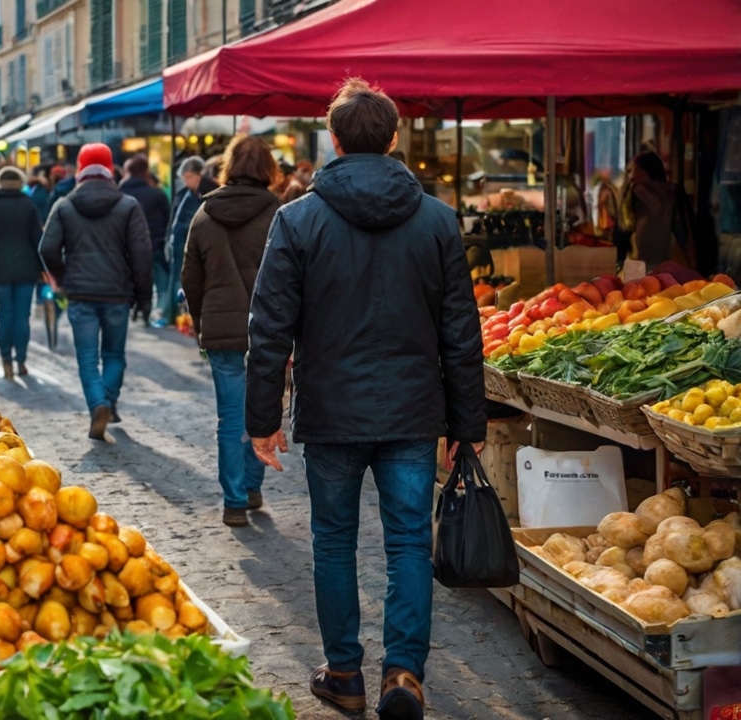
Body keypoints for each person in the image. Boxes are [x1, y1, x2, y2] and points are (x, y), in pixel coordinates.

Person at [245, 78, 485, 720]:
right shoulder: (437, 220)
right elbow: (461, 330)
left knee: (333, 541)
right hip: (412, 410)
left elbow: (269, 328)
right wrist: (468, 418)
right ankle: (403, 676)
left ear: (334, 140)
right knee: (408, 542)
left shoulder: (296, 220)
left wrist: (261, 420)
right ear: (395, 139)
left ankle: (344, 672)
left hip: (331, 410)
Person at [180, 137, 280, 527]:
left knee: (230, 418)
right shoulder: (280, 214)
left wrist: (202, 324)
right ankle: (253, 487)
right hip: (270, 331)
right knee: (266, 410)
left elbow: (191, 278)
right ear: (268, 169)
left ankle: (234, 500)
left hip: (222, 330)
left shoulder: (204, 215)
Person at [40, 143, 152, 440]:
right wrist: (144, 295)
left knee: (88, 359)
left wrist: (63, 276)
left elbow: (47, 248)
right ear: (109, 169)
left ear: (79, 170)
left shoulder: (64, 205)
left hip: (80, 293)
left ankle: (98, 405)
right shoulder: (128, 205)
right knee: (114, 353)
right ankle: (109, 401)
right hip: (117, 292)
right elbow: (142, 254)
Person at [0, 166, 43, 379]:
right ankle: (21, 360)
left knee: (5, 314)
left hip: (0, 271)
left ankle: (6, 359)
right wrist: (43, 268)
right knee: (22, 316)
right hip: (26, 270)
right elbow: (38, 241)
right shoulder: (29, 206)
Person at [162, 157, 218, 326]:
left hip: (194, 248)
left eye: (187, 177)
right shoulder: (187, 194)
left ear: (196, 175)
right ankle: (179, 316)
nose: (185, 182)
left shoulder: (206, 191)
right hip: (182, 247)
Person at [119, 155, 171, 323]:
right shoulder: (157, 194)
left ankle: (135, 305)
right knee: (161, 282)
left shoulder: (120, 194)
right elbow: (168, 219)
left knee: (132, 277)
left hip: (127, 246)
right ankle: (159, 312)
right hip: (156, 243)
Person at [619, 151, 677, 269]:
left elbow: (658, 208)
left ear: (645, 170)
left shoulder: (643, 189)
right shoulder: (642, 189)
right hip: (654, 243)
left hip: (651, 242)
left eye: (635, 169)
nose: (632, 175)